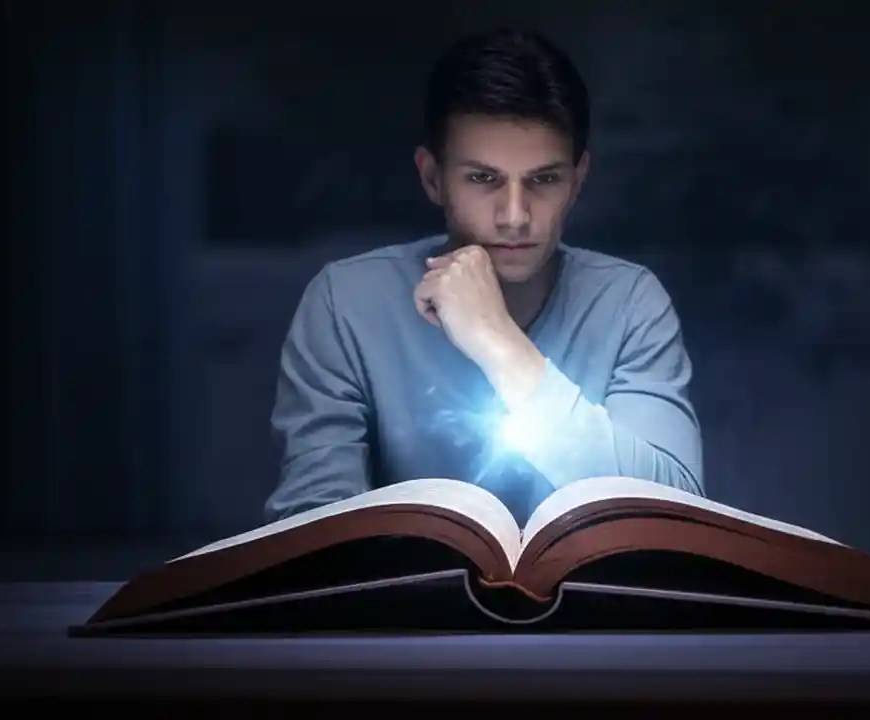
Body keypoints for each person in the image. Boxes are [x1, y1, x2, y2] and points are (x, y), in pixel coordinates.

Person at [264, 28, 704, 527]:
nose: (514, 216)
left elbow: (674, 513)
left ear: (577, 181)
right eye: (483, 178)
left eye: (543, 180)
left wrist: (498, 341)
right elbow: (311, 533)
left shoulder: (629, 302)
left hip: (595, 603)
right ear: (433, 178)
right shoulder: (345, 303)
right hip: (404, 604)